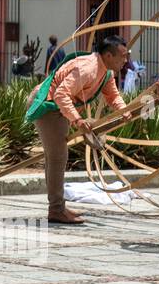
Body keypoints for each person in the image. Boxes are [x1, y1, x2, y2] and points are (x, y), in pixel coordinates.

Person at [26, 35, 129, 225]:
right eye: (122, 56)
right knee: (57, 156)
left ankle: (57, 207)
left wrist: (124, 110)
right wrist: (78, 119)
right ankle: (56, 209)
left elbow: (112, 95)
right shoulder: (87, 68)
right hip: (48, 105)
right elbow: (60, 94)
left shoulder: (106, 72)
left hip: (61, 107)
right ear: (108, 55)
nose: (126, 60)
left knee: (55, 156)